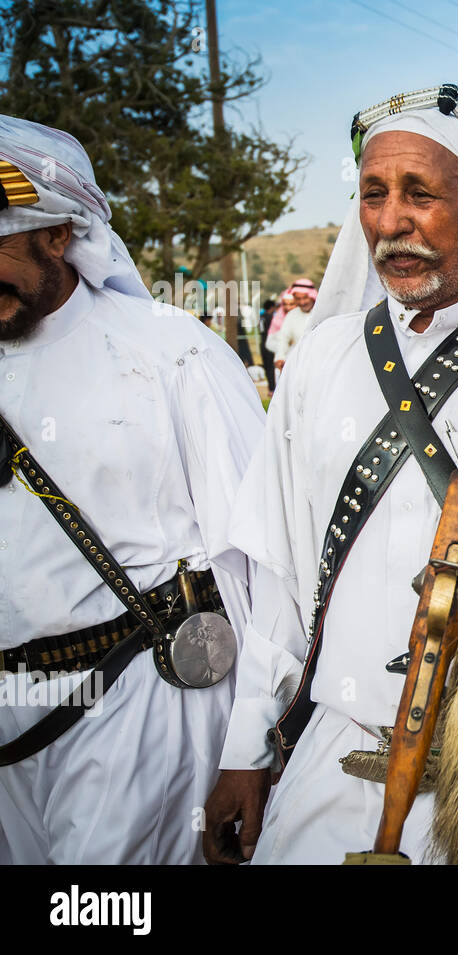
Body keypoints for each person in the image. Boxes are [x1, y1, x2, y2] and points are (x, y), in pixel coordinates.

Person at [203, 86, 458, 865]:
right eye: (374, 193)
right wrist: (246, 747)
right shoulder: (318, 360)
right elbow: (282, 579)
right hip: (335, 766)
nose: (392, 220)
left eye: (421, 194)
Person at [0, 114, 265, 863]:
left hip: (135, 704)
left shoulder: (170, 351)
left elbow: (254, 558)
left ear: (59, 234)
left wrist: (252, 744)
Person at [271, 278, 316, 371]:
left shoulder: (322, 313)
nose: (302, 302)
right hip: (300, 365)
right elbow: (283, 338)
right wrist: (280, 357)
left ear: (312, 296)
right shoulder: (292, 315)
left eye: (305, 298)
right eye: (298, 299)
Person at [257, 297, 278, 392]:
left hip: (262, 342)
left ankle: (270, 387)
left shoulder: (261, 317)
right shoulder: (270, 317)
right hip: (268, 342)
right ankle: (272, 388)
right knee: (270, 367)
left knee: (266, 366)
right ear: (271, 307)